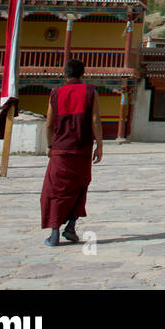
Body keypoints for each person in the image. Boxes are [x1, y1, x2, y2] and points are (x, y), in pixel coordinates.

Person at [40, 59, 102, 246]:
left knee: (55, 190)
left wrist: (49, 145)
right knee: (79, 187)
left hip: (60, 149)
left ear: (64, 74)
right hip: (82, 149)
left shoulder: (55, 93)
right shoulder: (91, 92)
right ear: (83, 74)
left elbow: (49, 123)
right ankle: (70, 227)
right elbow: (95, 120)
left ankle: (54, 232)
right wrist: (100, 144)